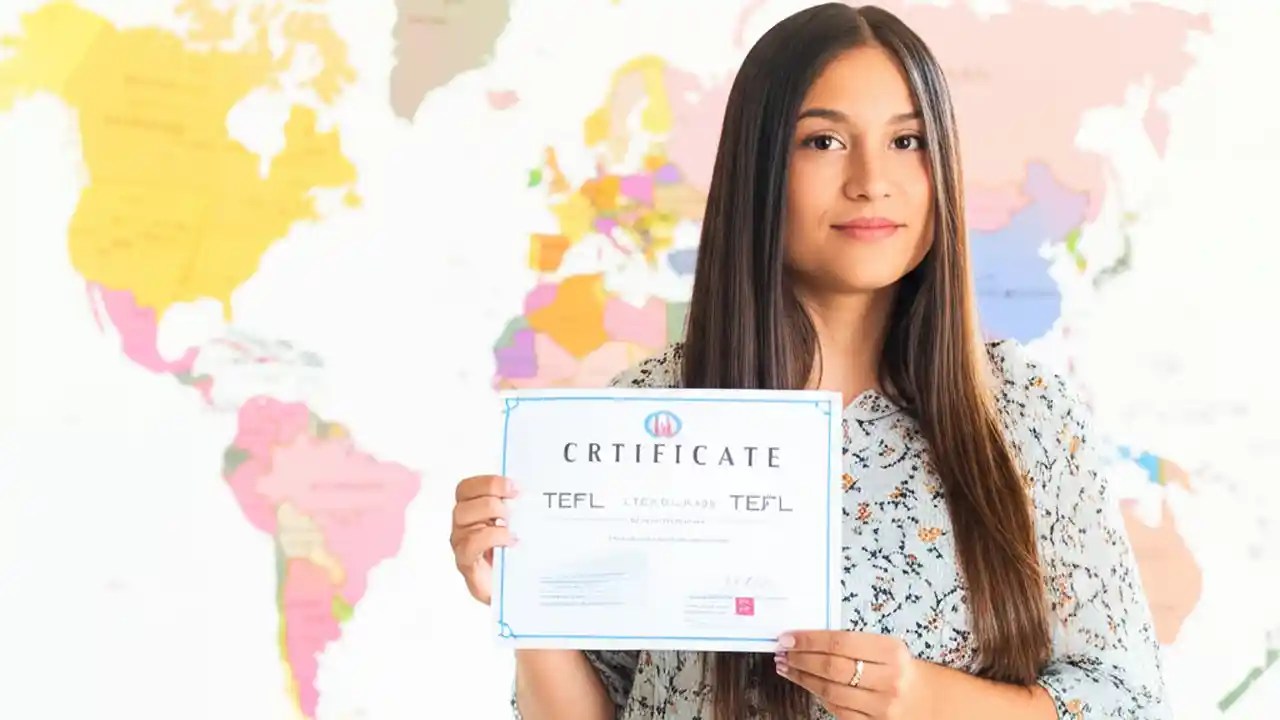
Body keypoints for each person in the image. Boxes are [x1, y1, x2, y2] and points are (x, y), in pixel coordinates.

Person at [449, 3, 1169, 718]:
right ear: (759, 168)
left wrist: (923, 701)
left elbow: (1126, 700)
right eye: (823, 142)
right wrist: (530, 600)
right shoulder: (650, 411)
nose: (871, 180)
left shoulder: (1021, 412)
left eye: (908, 141)